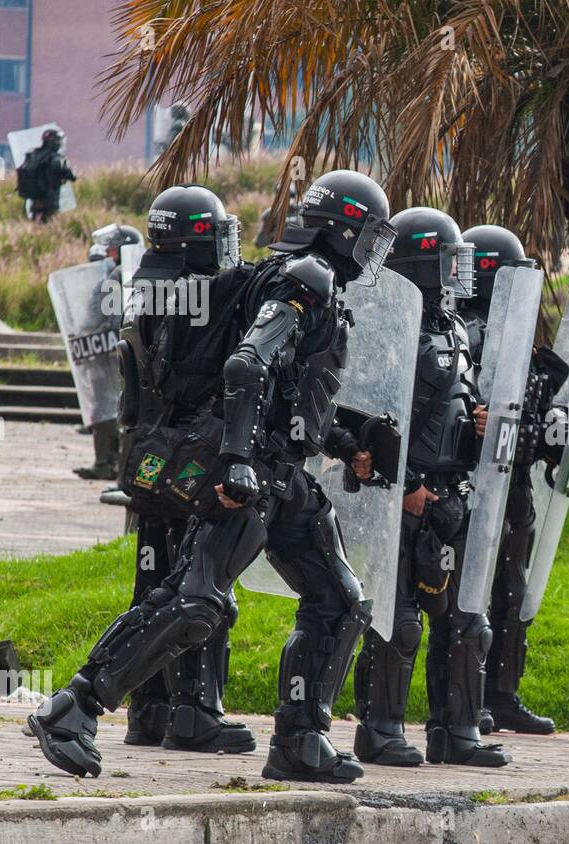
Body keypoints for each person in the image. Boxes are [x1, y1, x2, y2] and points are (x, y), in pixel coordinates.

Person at [28, 169, 397, 783]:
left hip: (282, 475)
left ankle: (302, 741)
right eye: (370, 234)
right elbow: (249, 366)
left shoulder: (304, 281)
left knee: (340, 600)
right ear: (346, 230)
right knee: (196, 601)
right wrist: (234, 461)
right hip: (250, 473)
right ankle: (73, 707)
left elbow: (293, 393)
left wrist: (349, 441)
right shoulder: (307, 279)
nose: (374, 251)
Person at [352, 206, 511, 768]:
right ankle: (381, 729)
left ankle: (457, 732)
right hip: (404, 497)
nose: (458, 274)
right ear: (422, 263)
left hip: (451, 494)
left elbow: (450, 405)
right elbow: (375, 414)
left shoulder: (452, 326)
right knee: (398, 620)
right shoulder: (391, 329)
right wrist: (408, 485)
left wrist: (477, 424)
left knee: (466, 619)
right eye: (449, 261)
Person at [116, 186, 255, 754]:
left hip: (147, 462)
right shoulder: (209, 299)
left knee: (152, 584)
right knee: (201, 589)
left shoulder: (147, 290)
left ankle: (146, 710)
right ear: (199, 241)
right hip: (191, 465)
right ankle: (197, 712)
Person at [459, 224, 568, 735]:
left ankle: (502, 695)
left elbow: (530, 418)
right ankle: (467, 699)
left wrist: (555, 432)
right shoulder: (460, 332)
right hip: (475, 485)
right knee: (471, 592)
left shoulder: (516, 337)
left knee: (511, 591)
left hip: (516, 486)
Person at [72, 224, 142, 480]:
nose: (109, 251)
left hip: (105, 350)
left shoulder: (117, 275)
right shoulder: (137, 272)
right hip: (127, 350)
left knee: (103, 405)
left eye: (113, 247)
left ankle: (106, 463)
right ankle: (120, 465)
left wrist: (85, 334)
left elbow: (99, 317)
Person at [18, 128, 76, 224]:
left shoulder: (33, 155)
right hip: (50, 202)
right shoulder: (57, 159)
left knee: (36, 228)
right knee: (49, 228)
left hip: (34, 203)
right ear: (53, 142)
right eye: (58, 140)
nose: (59, 143)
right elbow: (73, 176)